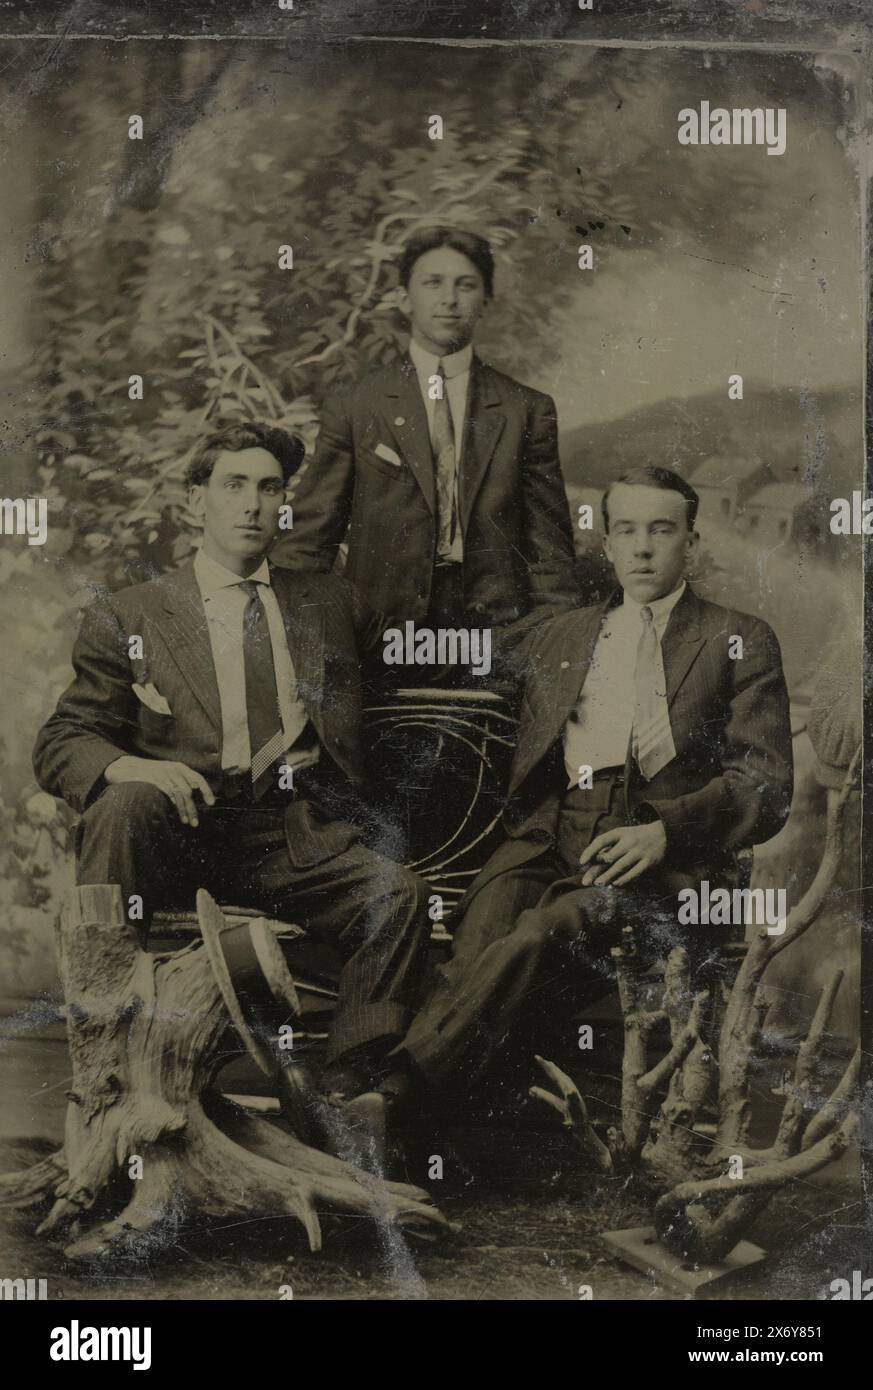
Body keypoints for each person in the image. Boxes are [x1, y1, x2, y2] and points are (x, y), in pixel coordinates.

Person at [341, 466, 795, 1148]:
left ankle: (390, 1102)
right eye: (626, 531)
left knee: (534, 937)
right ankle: (430, 1133)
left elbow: (765, 783)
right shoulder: (561, 635)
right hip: (549, 832)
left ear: (690, 542)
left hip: (658, 858)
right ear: (606, 544)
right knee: (479, 942)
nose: (643, 548)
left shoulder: (738, 636)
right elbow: (443, 661)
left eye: (662, 531)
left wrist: (664, 834)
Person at [33, 422, 432, 1102]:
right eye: (233, 486)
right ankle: (104, 1064)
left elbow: (393, 706)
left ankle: (342, 1096)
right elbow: (64, 739)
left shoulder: (332, 602)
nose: (252, 505)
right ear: (196, 504)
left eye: (269, 488)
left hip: (288, 834)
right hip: (177, 830)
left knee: (396, 895)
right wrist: (134, 767)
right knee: (122, 802)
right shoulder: (133, 616)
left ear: (284, 506)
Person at [273, 225, 579, 654]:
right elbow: (308, 538)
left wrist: (559, 641)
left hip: (494, 635)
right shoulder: (357, 403)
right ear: (404, 299)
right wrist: (296, 634)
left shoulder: (525, 408)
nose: (449, 299)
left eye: (466, 285)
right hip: (378, 633)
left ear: (486, 300)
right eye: (432, 283)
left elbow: (549, 551)